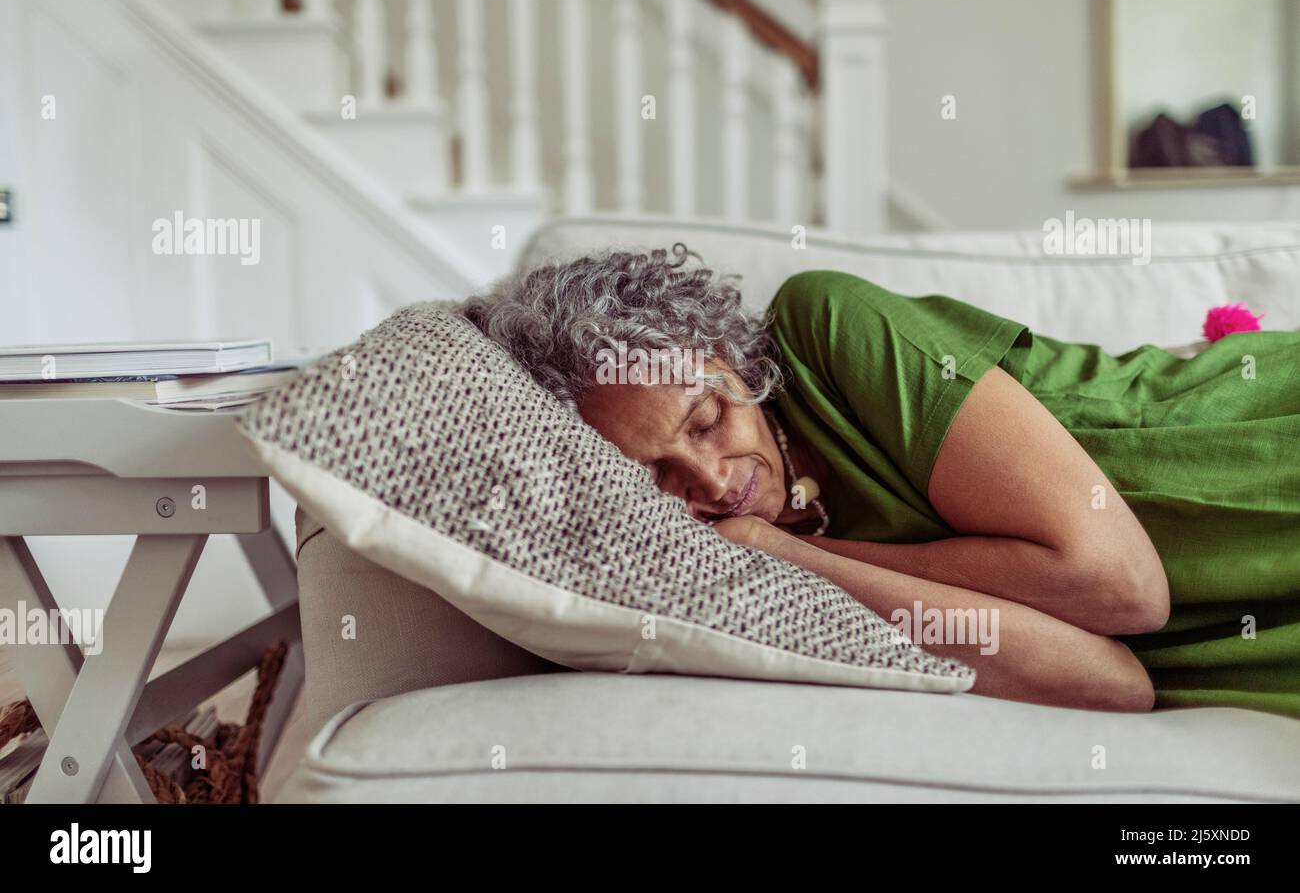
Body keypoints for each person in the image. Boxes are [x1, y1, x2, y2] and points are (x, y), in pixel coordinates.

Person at [463, 247, 1300, 716]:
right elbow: (1115, 680)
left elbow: (1120, 587)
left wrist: (774, 546)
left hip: (1248, 448)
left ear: (729, 357)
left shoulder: (824, 326)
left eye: (711, 419)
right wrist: (772, 554)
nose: (714, 485)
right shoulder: (728, 568)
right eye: (657, 481)